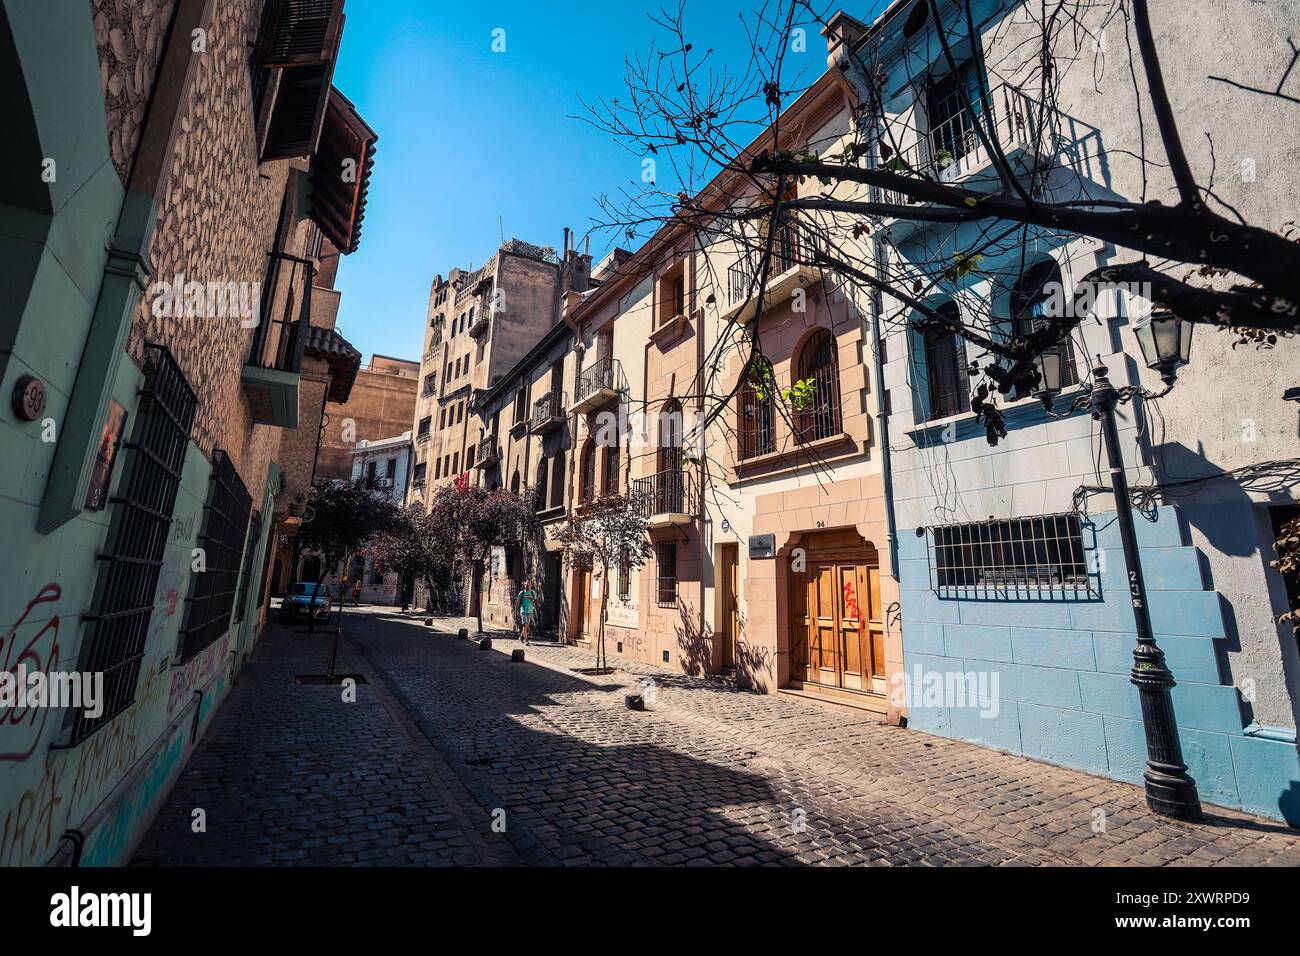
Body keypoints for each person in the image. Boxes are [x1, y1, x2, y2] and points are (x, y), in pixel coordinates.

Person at [516, 579, 537, 645]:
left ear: (531, 585)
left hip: (530, 611)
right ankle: (526, 640)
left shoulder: (533, 593)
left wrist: (532, 599)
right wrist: (516, 610)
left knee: (526, 626)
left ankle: (522, 636)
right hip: (523, 611)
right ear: (524, 585)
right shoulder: (521, 593)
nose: (528, 586)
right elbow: (518, 602)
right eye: (526, 585)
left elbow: (536, 602)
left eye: (529, 585)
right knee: (525, 625)